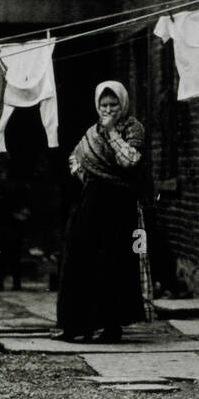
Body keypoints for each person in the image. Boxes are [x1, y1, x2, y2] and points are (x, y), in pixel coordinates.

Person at [56, 80, 149, 343]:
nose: (108, 109)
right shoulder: (91, 131)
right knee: (78, 260)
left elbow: (130, 160)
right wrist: (83, 173)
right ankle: (75, 325)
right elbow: (75, 157)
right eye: (103, 105)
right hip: (92, 200)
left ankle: (110, 326)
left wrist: (112, 133)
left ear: (123, 104)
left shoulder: (133, 128)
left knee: (111, 264)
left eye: (113, 104)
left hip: (119, 204)